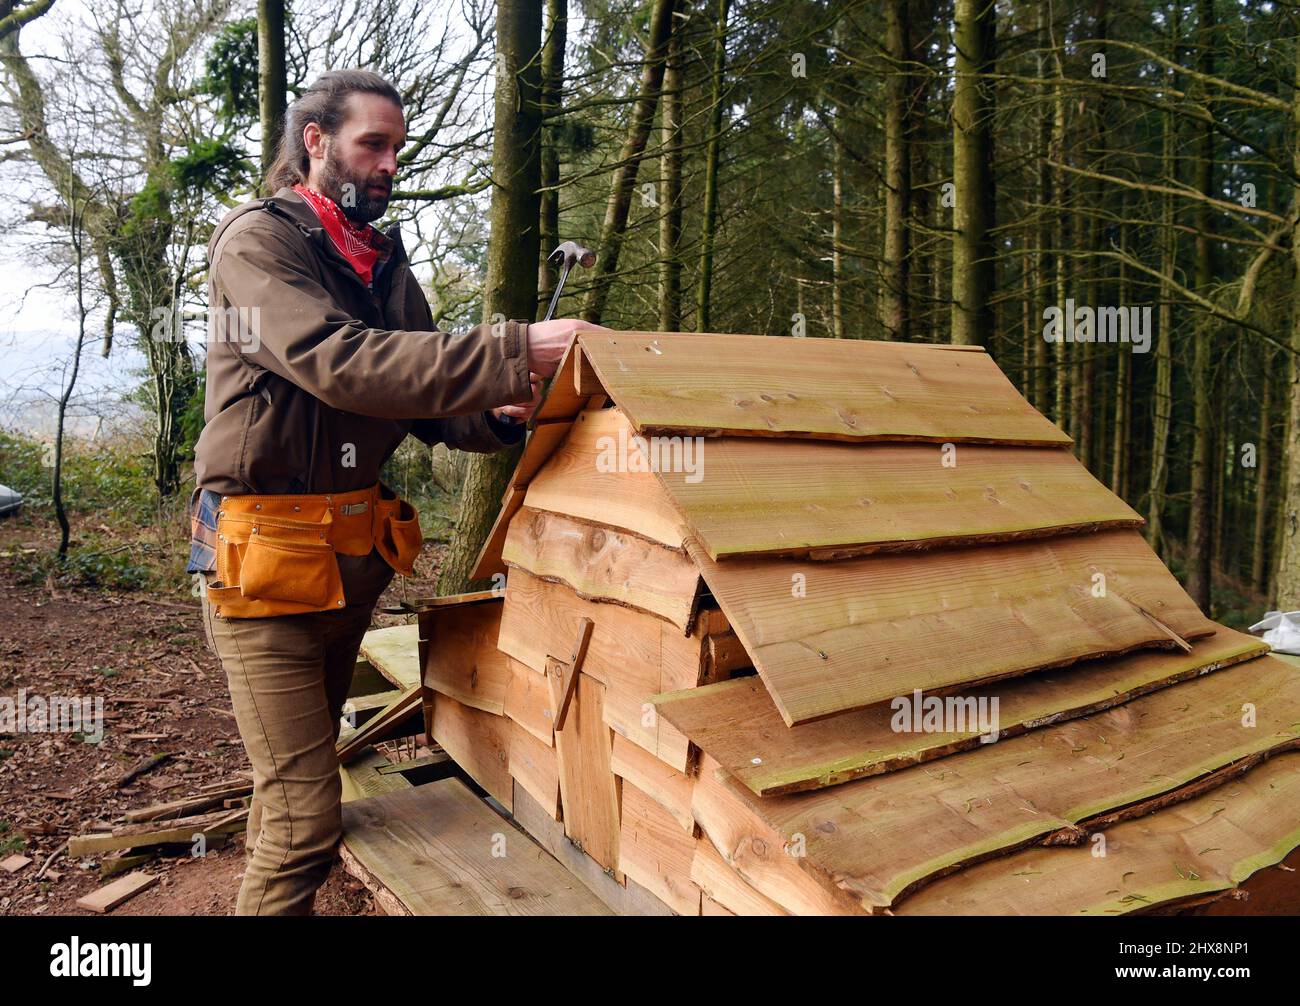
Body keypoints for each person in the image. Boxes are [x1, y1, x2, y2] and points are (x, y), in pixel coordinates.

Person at [189, 68, 606, 915]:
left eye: (396, 149)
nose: (388, 164)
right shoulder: (256, 244)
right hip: (260, 571)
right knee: (308, 822)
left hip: (347, 569)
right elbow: (340, 364)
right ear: (316, 142)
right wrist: (517, 345)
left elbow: (424, 399)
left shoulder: (380, 259)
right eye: (372, 144)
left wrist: (497, 413)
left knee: (290, 792)